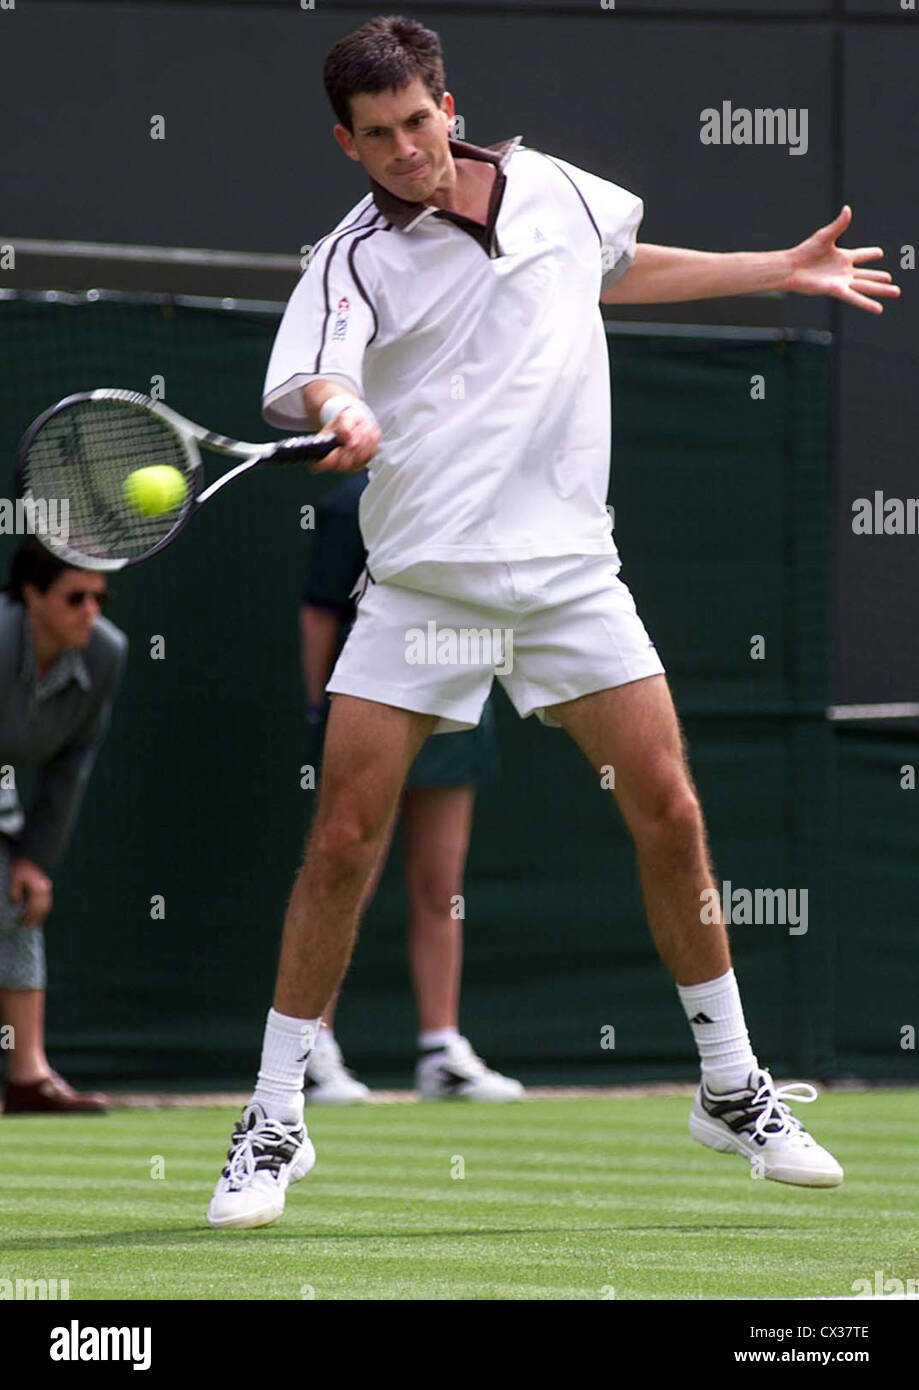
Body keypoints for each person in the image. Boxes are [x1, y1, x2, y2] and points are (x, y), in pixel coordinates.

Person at [207, 15, 899, 1230]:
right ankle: (272, 1119)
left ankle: (731, 1087)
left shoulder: (557, 192)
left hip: (572, 574)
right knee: (343, 839)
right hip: (427, 585)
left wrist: (773, 269)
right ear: (348, 144)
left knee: (672, 810)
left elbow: (619, 266)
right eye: (378, 137)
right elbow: (323, 375)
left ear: (446, 103)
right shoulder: (348, 260)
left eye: (418, 120)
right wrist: (341, 409)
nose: (407, 150)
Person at [299, 472, 520, 1103]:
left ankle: (440, 1051)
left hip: (460, 689)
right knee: (346, 874)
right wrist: (320, 712)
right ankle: (310, 1048)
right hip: (372, 696)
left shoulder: (480, 486)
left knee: (441, 885)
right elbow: (320, 610)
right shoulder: (349, 504)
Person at [0, 537, 127, 1113]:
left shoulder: (105, 653)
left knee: (17, 900)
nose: (90, 611)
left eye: (99, 598)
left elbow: (71, 763)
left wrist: (32, 859)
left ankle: (27, 1077)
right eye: (75, 598)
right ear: (32, 596)